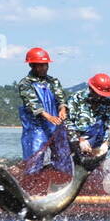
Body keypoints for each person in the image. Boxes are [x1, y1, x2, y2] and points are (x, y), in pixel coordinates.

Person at [16, 47, 71, 175]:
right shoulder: (25, 83)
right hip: (36, 129)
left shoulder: (53, 81)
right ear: (31, 65)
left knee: (62, 157)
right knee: (34, 158)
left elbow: (61, 98)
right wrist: (48, 116)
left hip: (56, 126)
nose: (44, 68)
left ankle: (62, 181)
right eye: (40, 66)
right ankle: (31, 185)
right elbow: (32, 104)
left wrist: (62, 109)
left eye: (45, 65)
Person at [68, 73, 110, 158]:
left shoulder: (107, 104)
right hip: (76, 142)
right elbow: (67, 123)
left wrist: (106, 143)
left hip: (98, 144)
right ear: (91, 89)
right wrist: (79, 140)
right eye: (99, 94)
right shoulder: (76, 99)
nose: (100, 97)